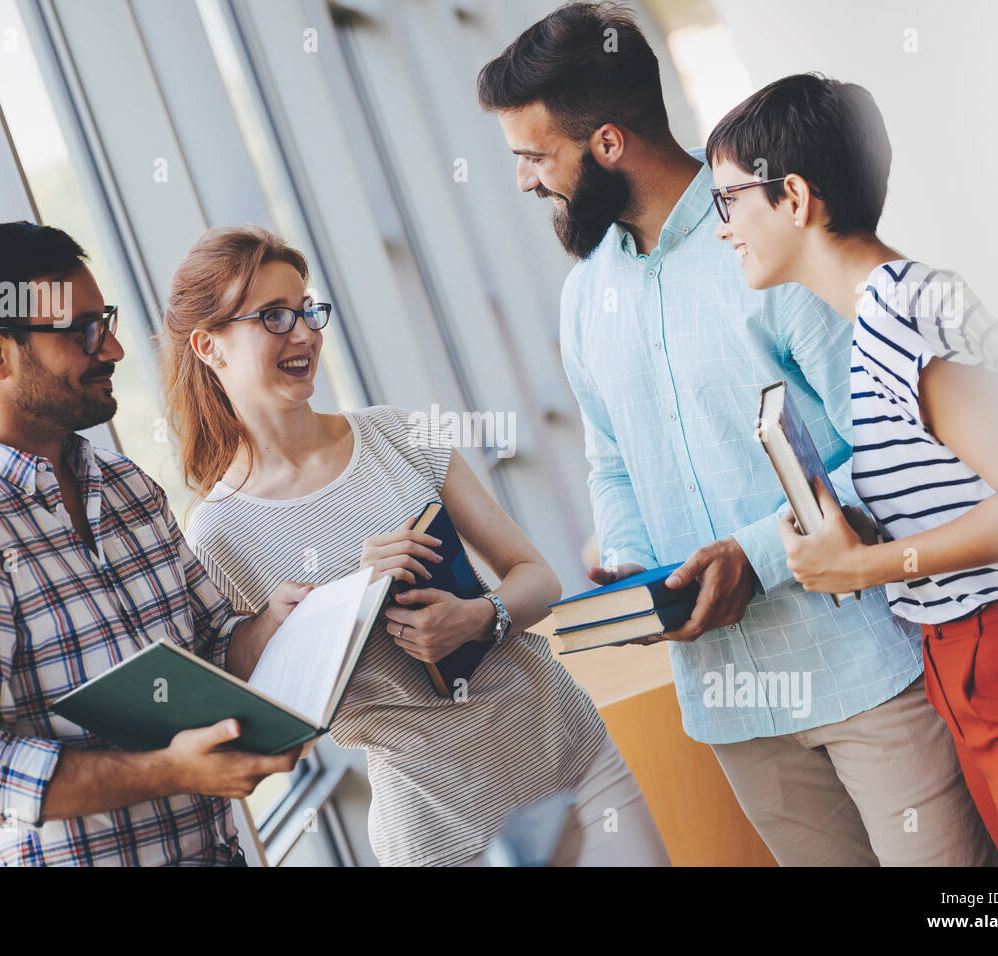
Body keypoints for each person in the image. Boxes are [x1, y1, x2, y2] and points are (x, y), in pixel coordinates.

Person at [478, 1, 997, 865]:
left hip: (869, 673)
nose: (525, 181)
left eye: (533, 157)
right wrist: (635, 567)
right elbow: (611, 458)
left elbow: (899, 445)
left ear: (608, 144)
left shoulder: (774, 244)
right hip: (728, 706)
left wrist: (750, 559)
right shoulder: (583, 298)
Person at [164, 224, 669, 867]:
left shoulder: (397, 434)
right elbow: (278, 720)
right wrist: (348, 600)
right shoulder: (217, 535)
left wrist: (483, 616)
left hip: (569, 760)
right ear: (209, 346)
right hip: (439, 829)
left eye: (307, 310)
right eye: (273, 317)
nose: (303, 333)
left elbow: (535, 576)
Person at [706, 72, 998, 865]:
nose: (722, 229)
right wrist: (854, 532)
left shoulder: (905, 315)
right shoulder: (873, 325)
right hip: (969, 662)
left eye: (728, 201)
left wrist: (864, 566)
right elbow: (967, 493)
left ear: (793, 197)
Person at [0, 221, 308, 866]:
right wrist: (168, 771)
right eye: (84, 331)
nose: (116, 350)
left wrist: (284, 623)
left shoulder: (126, 486)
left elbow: (215, 646)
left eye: (104, 320)